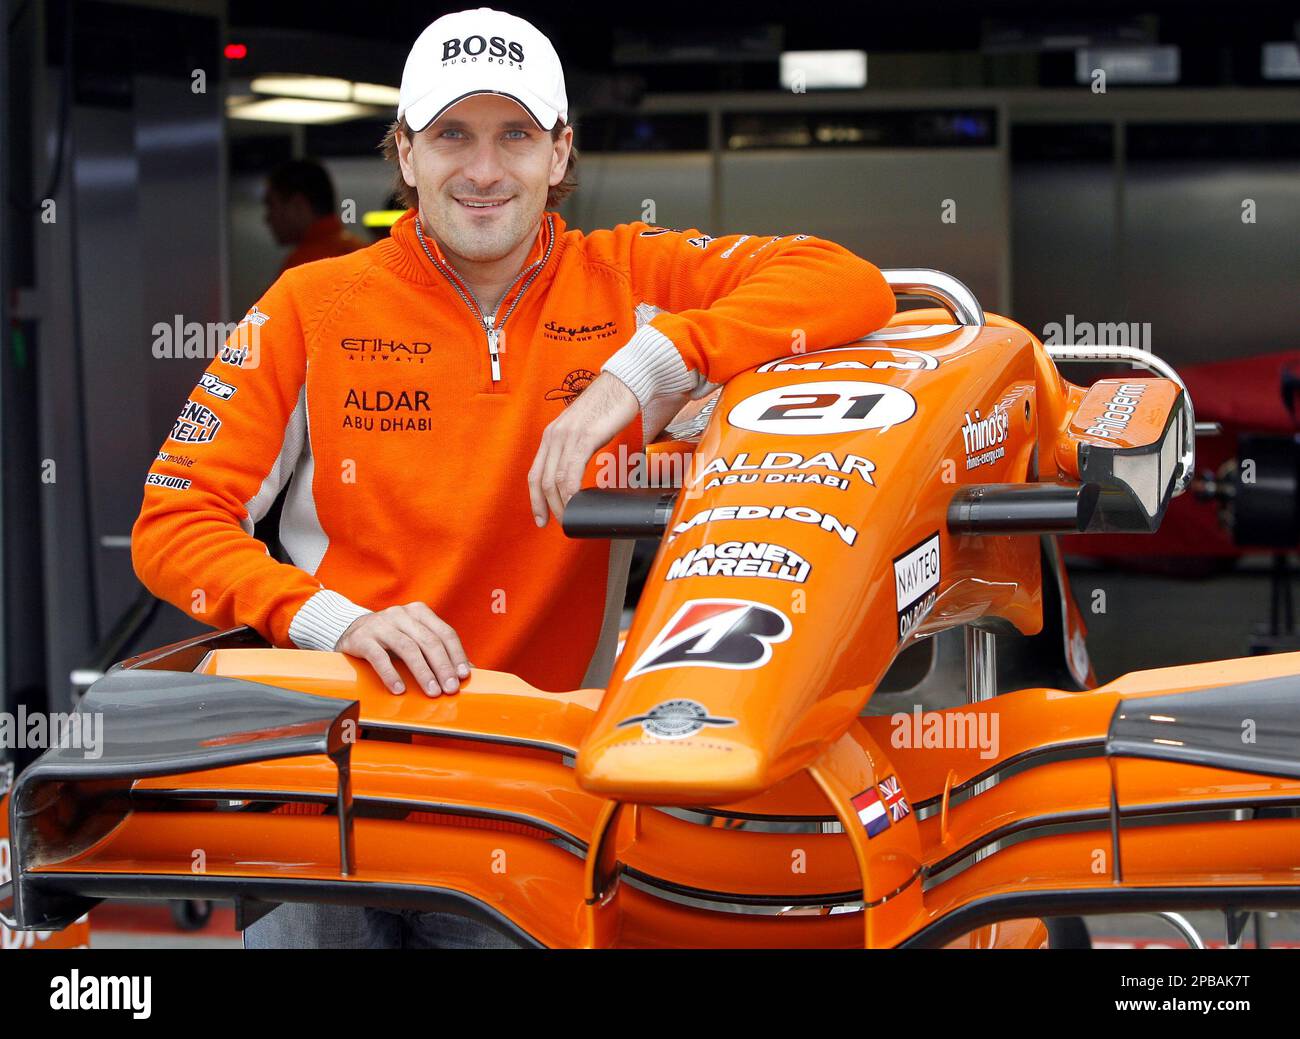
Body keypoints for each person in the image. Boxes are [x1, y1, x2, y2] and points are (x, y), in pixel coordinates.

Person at [131, 7, 895, 948]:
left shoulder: (627, 278)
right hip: (322, 798)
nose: (484, 170)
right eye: (452, 134)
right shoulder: (308, 306)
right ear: (405, 153)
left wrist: (638, 369)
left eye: (515, 136)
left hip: (529, 807)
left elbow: (846, 280)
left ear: (559, 152)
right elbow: (173, 523)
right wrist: (336, 619)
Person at [264, 158, 366, 272]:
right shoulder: (361, 251)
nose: (267, 218)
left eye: (271, 205)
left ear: (298, 205)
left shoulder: (301, 265)